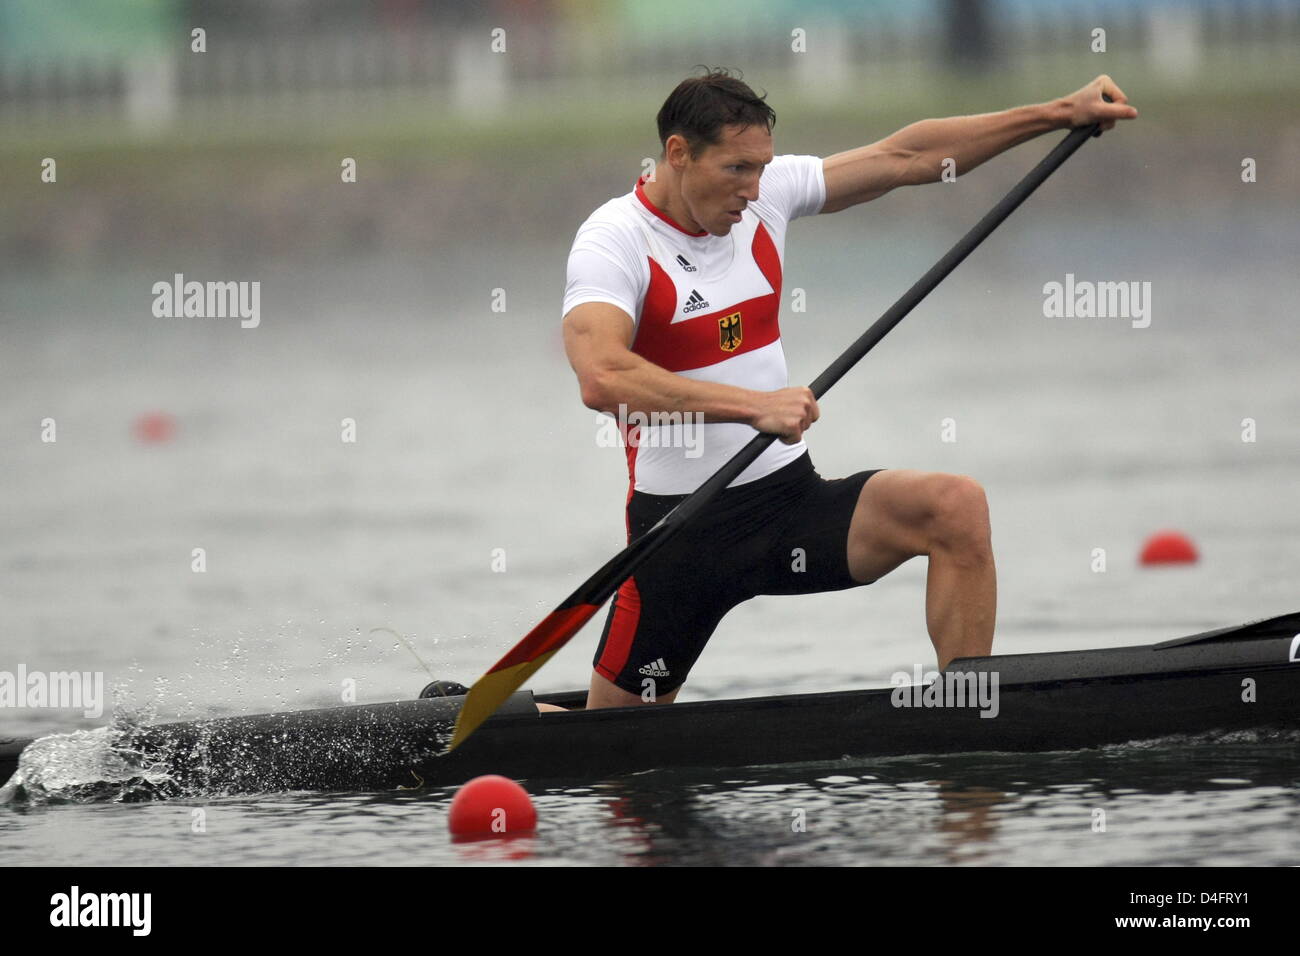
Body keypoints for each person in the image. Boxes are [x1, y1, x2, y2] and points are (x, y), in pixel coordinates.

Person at [560, 68, 1137, 710]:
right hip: (680, 536)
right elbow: (602, 375)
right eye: (735, 170)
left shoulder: (765, 193)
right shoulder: (615, 240)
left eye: (762, 168)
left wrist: (1060, 113)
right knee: (613, 758)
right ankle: (514, 725)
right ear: (677, 153)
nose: (753, 190)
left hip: (788, 507)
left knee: (954, 507)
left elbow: (905, 158)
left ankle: (969, 710)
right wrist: (754, 407)